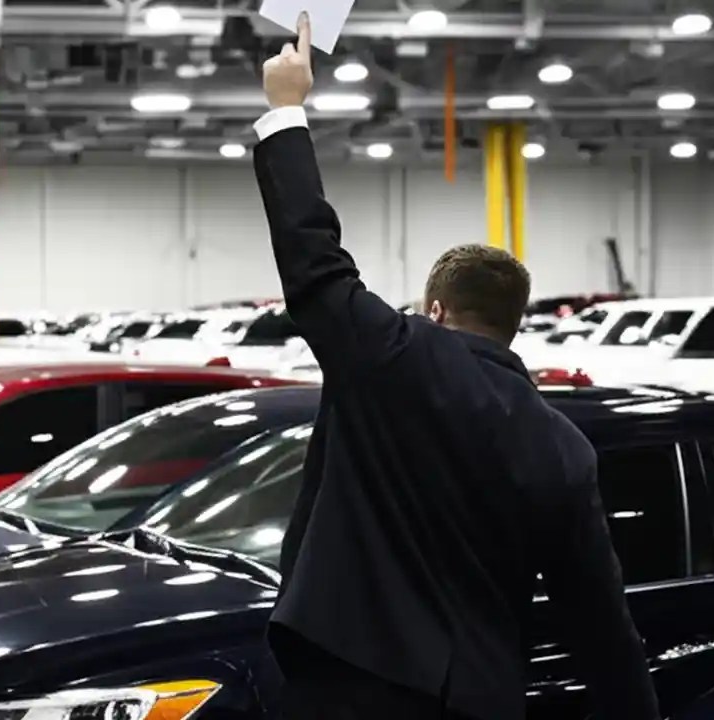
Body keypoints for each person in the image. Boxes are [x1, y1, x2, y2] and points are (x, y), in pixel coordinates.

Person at [253, 12, 661, 720]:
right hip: (477, 700)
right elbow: (600, 623)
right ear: (513, 324)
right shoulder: (565, 449)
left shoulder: (393, 356)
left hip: (345, 685)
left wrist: (287, 110)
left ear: (436, 310)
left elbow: (312, 263)